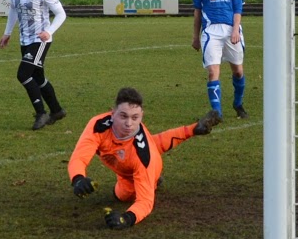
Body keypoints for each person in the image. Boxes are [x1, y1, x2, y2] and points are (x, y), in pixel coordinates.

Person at [66, 87, 219, 229]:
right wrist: (78, 178)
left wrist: (126, 219)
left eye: (135, 118)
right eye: (123, 116)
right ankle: (192, 129)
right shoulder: (98, 125)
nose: (128, 124)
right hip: (129, 159)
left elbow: (145, 202)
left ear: (141, 117)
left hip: (139, 168)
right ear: (112, 113)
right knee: (153, 143)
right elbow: (79, 157)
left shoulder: (143, 155)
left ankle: (153, 181)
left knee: (122, 195)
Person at [0, 0, 68, 129]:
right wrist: (7, 33)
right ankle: (57, 110)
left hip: (40, 40)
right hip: (24, 39)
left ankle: (41, 113)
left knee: (23, 74)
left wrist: (48, 31)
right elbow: (14, 10)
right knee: (38, 77)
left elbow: (61, 14)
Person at [192, 0, 248, 119]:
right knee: (212, 72)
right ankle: (217, 112)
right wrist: (195, 37)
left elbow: (238, 8)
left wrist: (235, 30)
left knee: (238, 71)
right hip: (211, 32)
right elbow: (197, 12)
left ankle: (238, 104)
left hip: (232, 29)